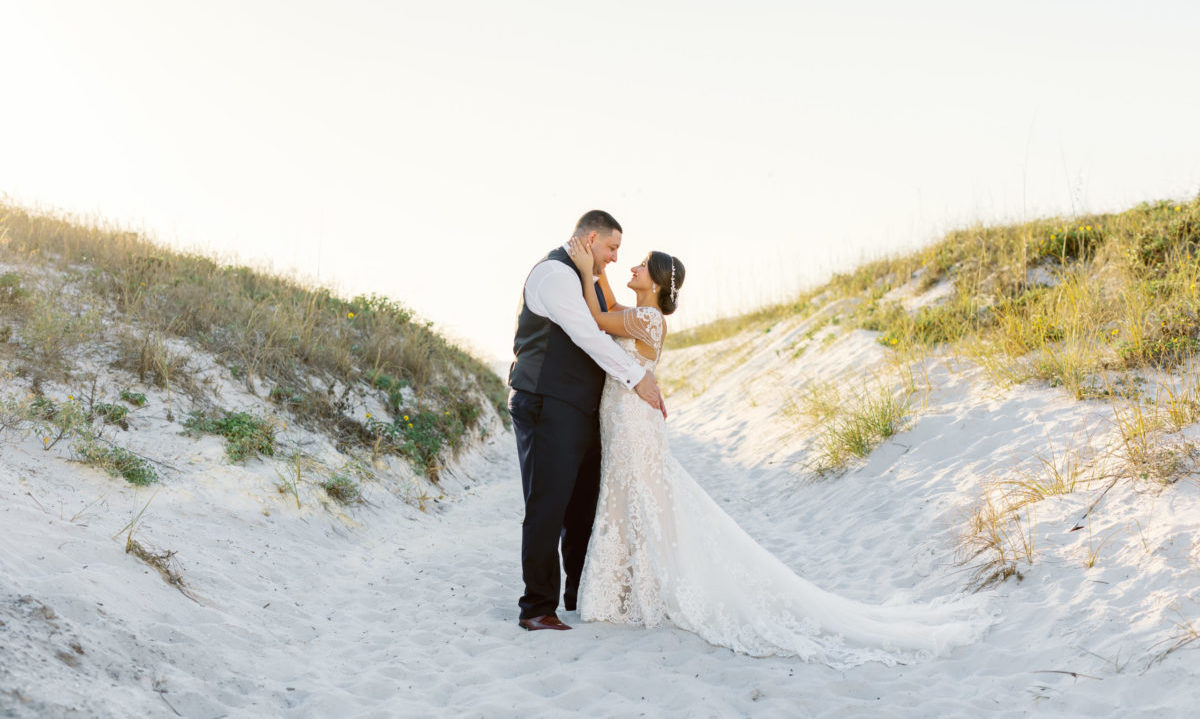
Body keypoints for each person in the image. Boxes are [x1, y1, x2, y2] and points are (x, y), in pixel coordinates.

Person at [566, 238, 993, 666]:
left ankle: (636, 594)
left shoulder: (648, 318)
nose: (633, 267)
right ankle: (633, 593)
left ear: (657, 283)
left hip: (634, 421)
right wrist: (598, 271)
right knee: (629, 497)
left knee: (638, 497)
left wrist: (588, 270)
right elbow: (610, 308)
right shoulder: (637, 313)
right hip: (623, 416)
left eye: (641, 265)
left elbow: (598, 317)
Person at [508, 210, 666, 632]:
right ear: (591, 239)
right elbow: (587, 333)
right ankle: (537, 608)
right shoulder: (555, 275)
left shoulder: (583, 277)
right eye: (612, 248)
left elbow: (606, 312)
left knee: (583, 509)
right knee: (547, 506)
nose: (615, 257)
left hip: (582, 409)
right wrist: (637, 378)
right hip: (546, 402)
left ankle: (580, 594)